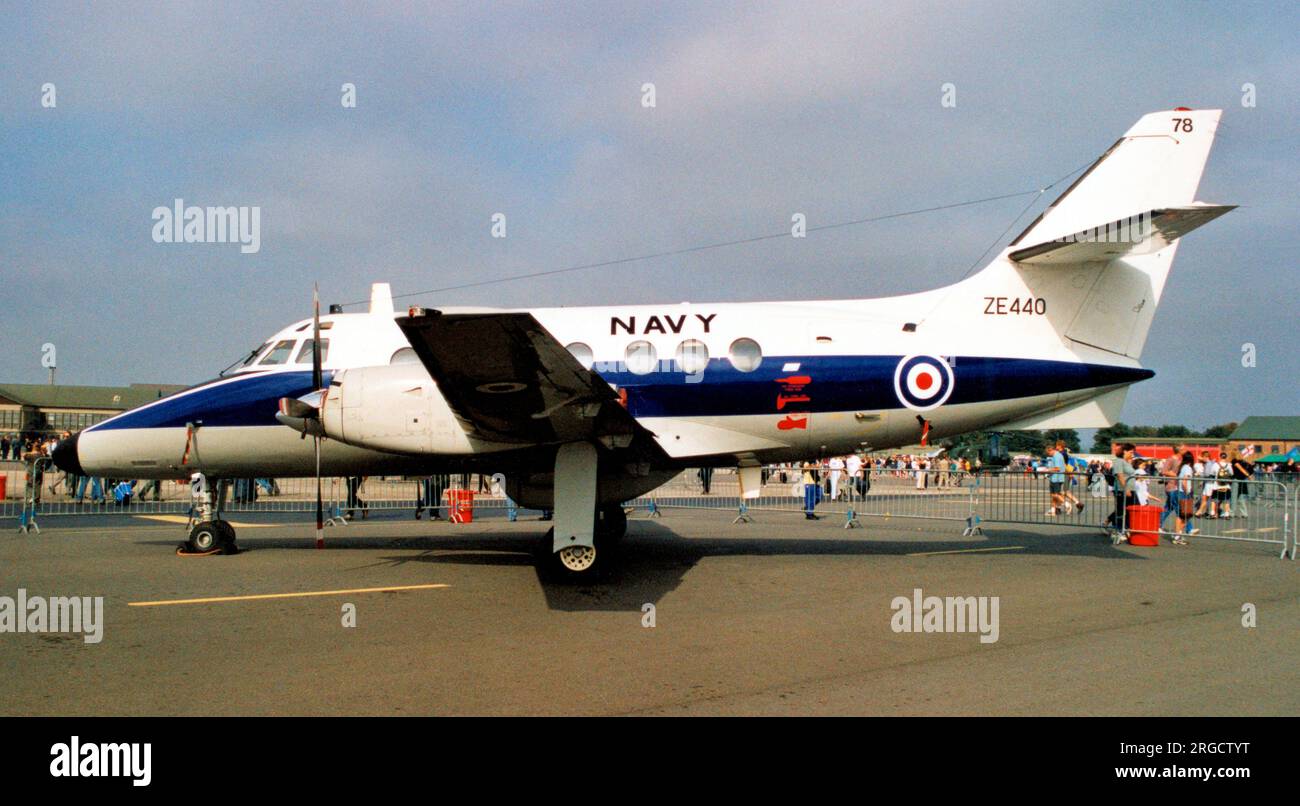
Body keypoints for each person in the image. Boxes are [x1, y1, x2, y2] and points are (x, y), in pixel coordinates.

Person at [1106, 443, 1135, 535]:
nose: (1132, 454)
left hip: (1130, 489)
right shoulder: (1119, 461)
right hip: (1121, 490)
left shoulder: (1126, 462)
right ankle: (1118, 530)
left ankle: (1123, 528)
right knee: (1121, 510)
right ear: (1125, 451)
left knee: (1126, 510)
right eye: (1131, 452)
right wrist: (1126, 489)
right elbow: (1120, 475)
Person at [1172, 451, 1200, 545]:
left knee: (1180, 515)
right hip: (1184, 492)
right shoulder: (1188, 468)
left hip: (1178, 492)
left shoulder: (1182, 467)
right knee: (1186, 515)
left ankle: (1177, 534)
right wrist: (1187, 491)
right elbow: (1185, 481)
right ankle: (1177, 534)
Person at [1229, 448, 1254, 519]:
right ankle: (1244, 513)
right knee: (1241, 498)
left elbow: (1239, 467)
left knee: (1234, 497)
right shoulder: (1244, 462)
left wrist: (1248, 475)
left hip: (1236, 480)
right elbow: (1251, 470)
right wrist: (1249, 476)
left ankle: (1232, 512)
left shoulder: (1234, 461)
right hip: (1243, 480)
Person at [1045, 444, 1066, 516]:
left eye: (1048, 453)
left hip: (1056, 478)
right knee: (1054, 495)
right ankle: (1053, 511)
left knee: (1055, 495)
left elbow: (1057, 468)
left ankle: (1067, 504)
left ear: (1050, 450)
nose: (1049, 454)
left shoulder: (1056, 456)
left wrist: (1048, 470)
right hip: (1057, 478)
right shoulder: (1058, 455)